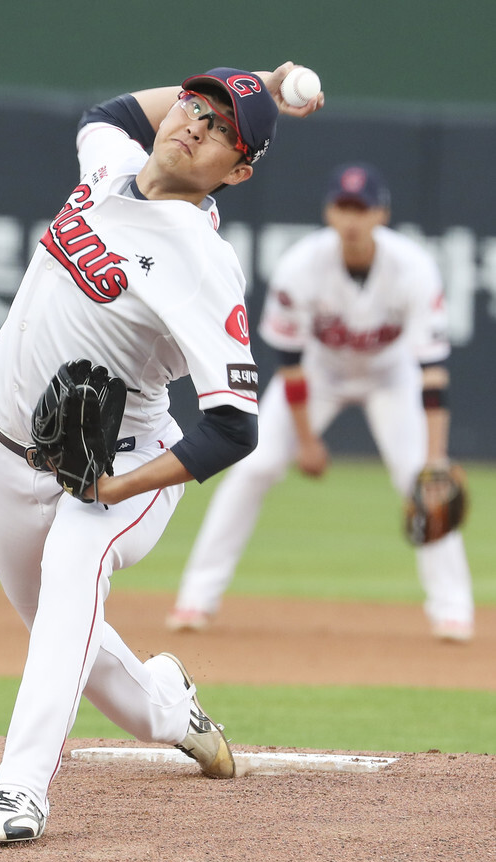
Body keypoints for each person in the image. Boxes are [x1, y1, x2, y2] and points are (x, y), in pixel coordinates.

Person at [0, 63, 322, 843]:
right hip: (0, 450)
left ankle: (19, 790)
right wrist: (258, 80)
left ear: (237, 171)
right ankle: (168, 704)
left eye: (223, 128)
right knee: (70, 638)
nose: (195, 122)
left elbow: (235, 424)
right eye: (196, 106)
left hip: (119, 466)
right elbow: (108, 110)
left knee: (72, 577)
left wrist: (119, 484)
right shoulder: (110, 166)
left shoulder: (200, 261)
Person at [167, 161, 474, 643]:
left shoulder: (414, 268)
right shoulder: (301, 266)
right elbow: (289, 362)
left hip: (390, 377)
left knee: (424, 481)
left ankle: (453, 611)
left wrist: (436, 457)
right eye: (342, 207)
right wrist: (306, 441)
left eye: (362, 208)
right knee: (254, 467)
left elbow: (432, 375)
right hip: (319, 373)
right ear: (330, 212)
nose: (351, 218)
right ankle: (196, 599)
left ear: (381, 214)